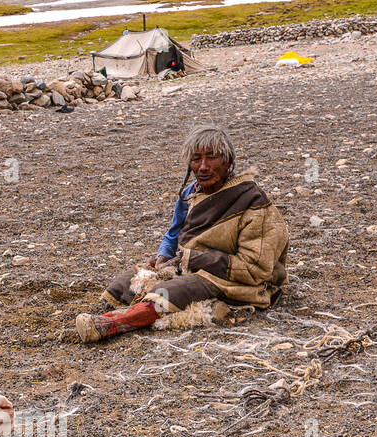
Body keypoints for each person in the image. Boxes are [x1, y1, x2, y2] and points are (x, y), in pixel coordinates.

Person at [75, 125, 289, 343]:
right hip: (189, 266)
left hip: (231, 276)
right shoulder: (191, 194)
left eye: (211, 158)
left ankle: (112, 324)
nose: (203, 167)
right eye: (196, 159)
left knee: (170, 292)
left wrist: (191, 258)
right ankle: (105, 315)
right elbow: (173, 234)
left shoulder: (252, 201)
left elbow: (256, 266)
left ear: (228, 161)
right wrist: (163, 258)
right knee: (124, 283)